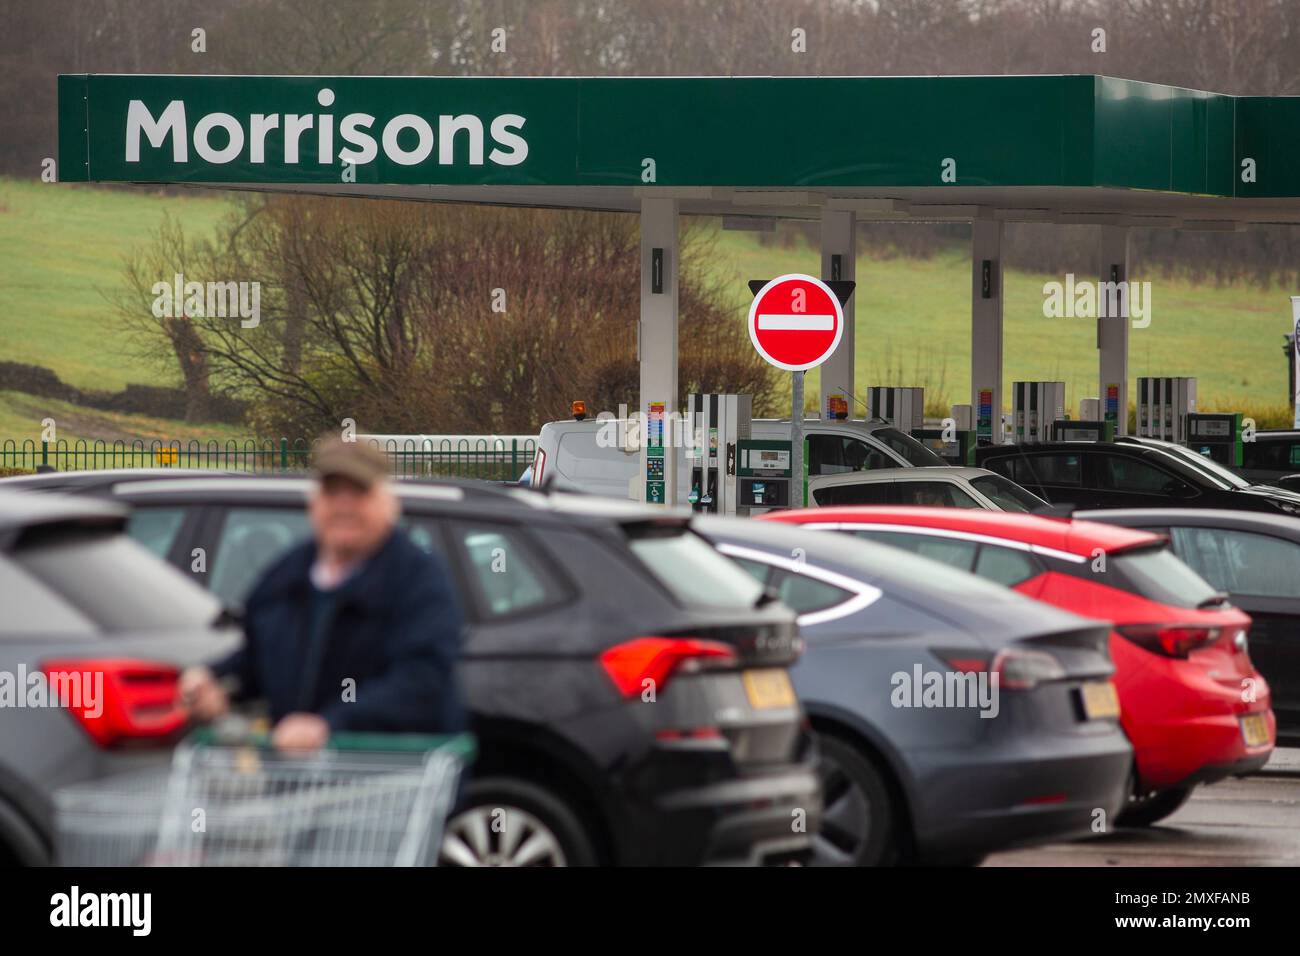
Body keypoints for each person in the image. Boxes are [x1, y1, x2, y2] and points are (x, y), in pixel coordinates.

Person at [180, 437, 467, 750]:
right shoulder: (288, 574)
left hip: (389, 776)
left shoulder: (418, 578)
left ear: (387, 502)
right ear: (314, 502)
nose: (344, 505)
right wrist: (217, 681)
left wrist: (331, 725)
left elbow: (422, 679)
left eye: (358, 493)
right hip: (300, 777)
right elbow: (259, 654)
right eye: (333, 492)